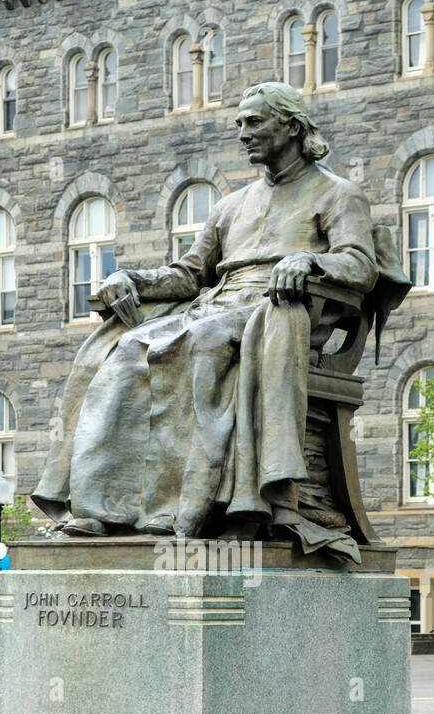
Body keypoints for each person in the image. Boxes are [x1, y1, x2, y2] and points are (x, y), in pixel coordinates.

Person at [32, 80, 409, 558]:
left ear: (290, 126)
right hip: (215, 305)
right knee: (125, 348)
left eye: (255, 122)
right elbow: (191, 275)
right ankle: (104, 508)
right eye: (239, 124)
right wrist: (132, 279)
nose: (243, 133)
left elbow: (359, 264)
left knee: (200, 344)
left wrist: (310, 262)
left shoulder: (337, 193)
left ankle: (184, 509)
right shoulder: (231, 205)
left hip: (278, 310)